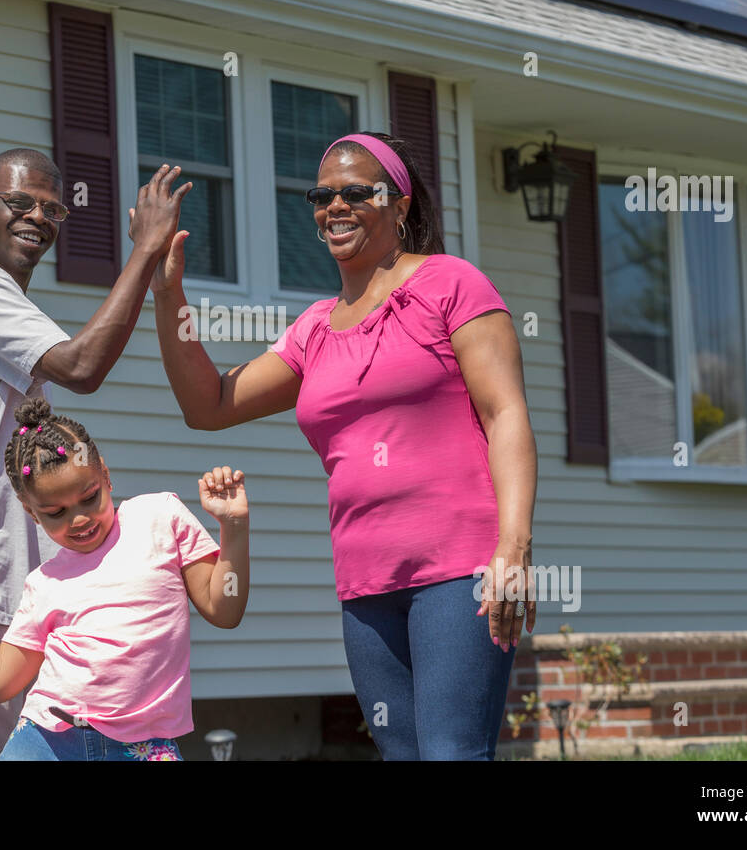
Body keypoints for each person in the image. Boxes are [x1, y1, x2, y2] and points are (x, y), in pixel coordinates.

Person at [148, 131, 539, 760]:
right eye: (322, 195)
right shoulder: (315, 330)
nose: (336, 206)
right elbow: (209, 405)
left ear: (400, 205)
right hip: (365, 585)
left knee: (451, 755)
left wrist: (514, 547)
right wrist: (169, 294)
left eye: (358, 192)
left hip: (461, 570)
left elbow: (507, 414)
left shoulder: (451, 285)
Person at [0, 150, 191, 760]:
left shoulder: (4, 306)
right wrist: (146, 250)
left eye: (53, 210)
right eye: (19, 203)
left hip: (8, 590)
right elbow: (82, 367)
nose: (38, 218)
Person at [0, 397, 250, 760]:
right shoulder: (44, 582)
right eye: (55, 512)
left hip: (144, 745)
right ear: (32, 513)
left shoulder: (159, 516)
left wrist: (234, 528)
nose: (79, 519)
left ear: (104, 474)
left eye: (90, 498)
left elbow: (224, 609)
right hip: (46, 740)